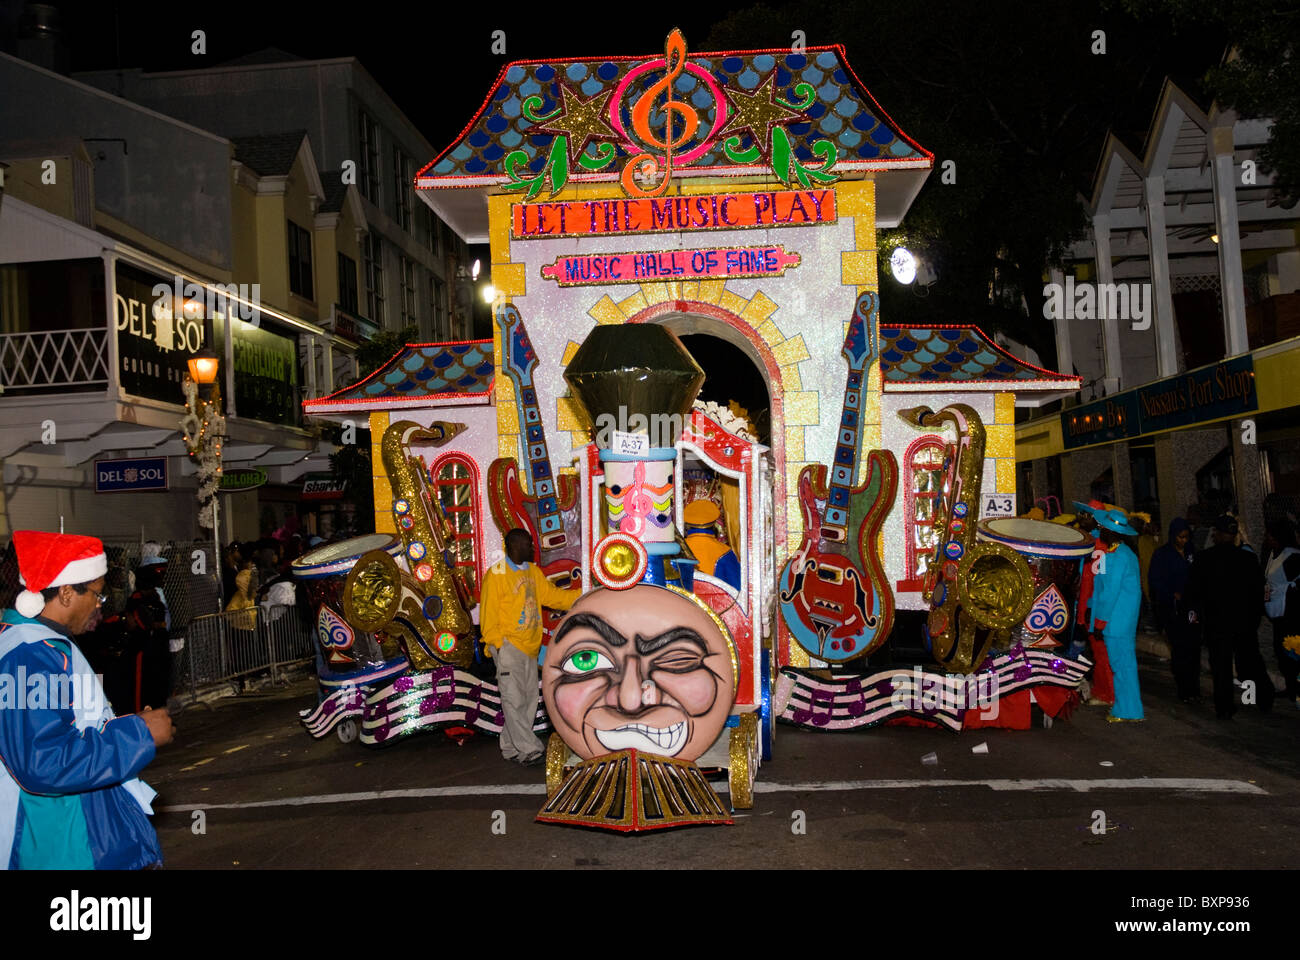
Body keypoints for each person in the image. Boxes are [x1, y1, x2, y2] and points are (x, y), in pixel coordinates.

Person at [0, 530, 173, 869]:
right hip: (61, 840)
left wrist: (126, 725)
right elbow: (43, 761)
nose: (99, 604)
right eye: (96, 593)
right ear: (66, 592)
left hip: (72, 828)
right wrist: (138, 734)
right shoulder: (31, 655)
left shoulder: (41, 645)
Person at [479, 528, 580, 765]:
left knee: (527, 700)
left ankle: (510, 746)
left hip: (529, 647)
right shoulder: (497, 574)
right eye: (528, 544)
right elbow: (488, 615)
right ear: (512, 546)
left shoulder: (532, 572)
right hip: (508, 645)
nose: (533, 548)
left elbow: (553, 597)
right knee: (513, 699)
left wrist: (585, 594)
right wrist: (498, 646)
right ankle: (528, 748)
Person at [1187, 515, 1274, 720]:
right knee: (1250, 662)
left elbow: (1194, 592)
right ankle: (1257, 699)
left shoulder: (1205, 559)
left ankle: (1225, 707)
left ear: (1216, 533)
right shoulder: (1247, 559)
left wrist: (1196, 616)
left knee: (1222, 667)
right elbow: (1257, 591)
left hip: (1218, 623)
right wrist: (1254, 617)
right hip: (1244, 622)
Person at [1090, 510, 1145, 722]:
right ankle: (1130, 709)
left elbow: (1109, 592)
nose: (1099, 530)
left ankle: (1127, 711)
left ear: (1111, 531)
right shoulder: (1118, 554)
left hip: (1117, 621)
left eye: (1102, 528)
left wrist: (1100, 620)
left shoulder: (1119, 557)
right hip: (1120, 620)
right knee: (1124, 666)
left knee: (1121, 666)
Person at [1149, 518, 1198, 702]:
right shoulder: (1162, 555)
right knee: (1179, 650)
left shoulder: (1191, 552)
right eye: (1180, 537)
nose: (1183, 540)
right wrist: (1171, 594)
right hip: (1171, 610)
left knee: (1193, 650)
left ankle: (1194, 689)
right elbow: (1155, 581)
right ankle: (1184, 689)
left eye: (1186, 537)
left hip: (1191, 608)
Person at [125, 552, 171, 711]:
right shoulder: (137, 599)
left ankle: (159, 711)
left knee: (160, 683)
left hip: (158, 646)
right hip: (145, 648)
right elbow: (140, 623)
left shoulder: (155, 597)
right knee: (145, 685)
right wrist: (155, 626)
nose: (162, 580)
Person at [1261, 520, 1300, 707]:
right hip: (1277, 611)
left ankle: (1295, 688)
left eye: (1271, 536)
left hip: (1290, 613)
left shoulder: (1292, 556)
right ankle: (1291, 687)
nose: (1268, 539)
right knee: (1281, 651)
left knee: (1291, 651)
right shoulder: (1272, 554)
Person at [683, 499, 741, 590]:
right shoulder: (725, 552)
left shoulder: (679, 548)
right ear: (715, 523)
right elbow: (737, 590)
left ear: (687, 524)